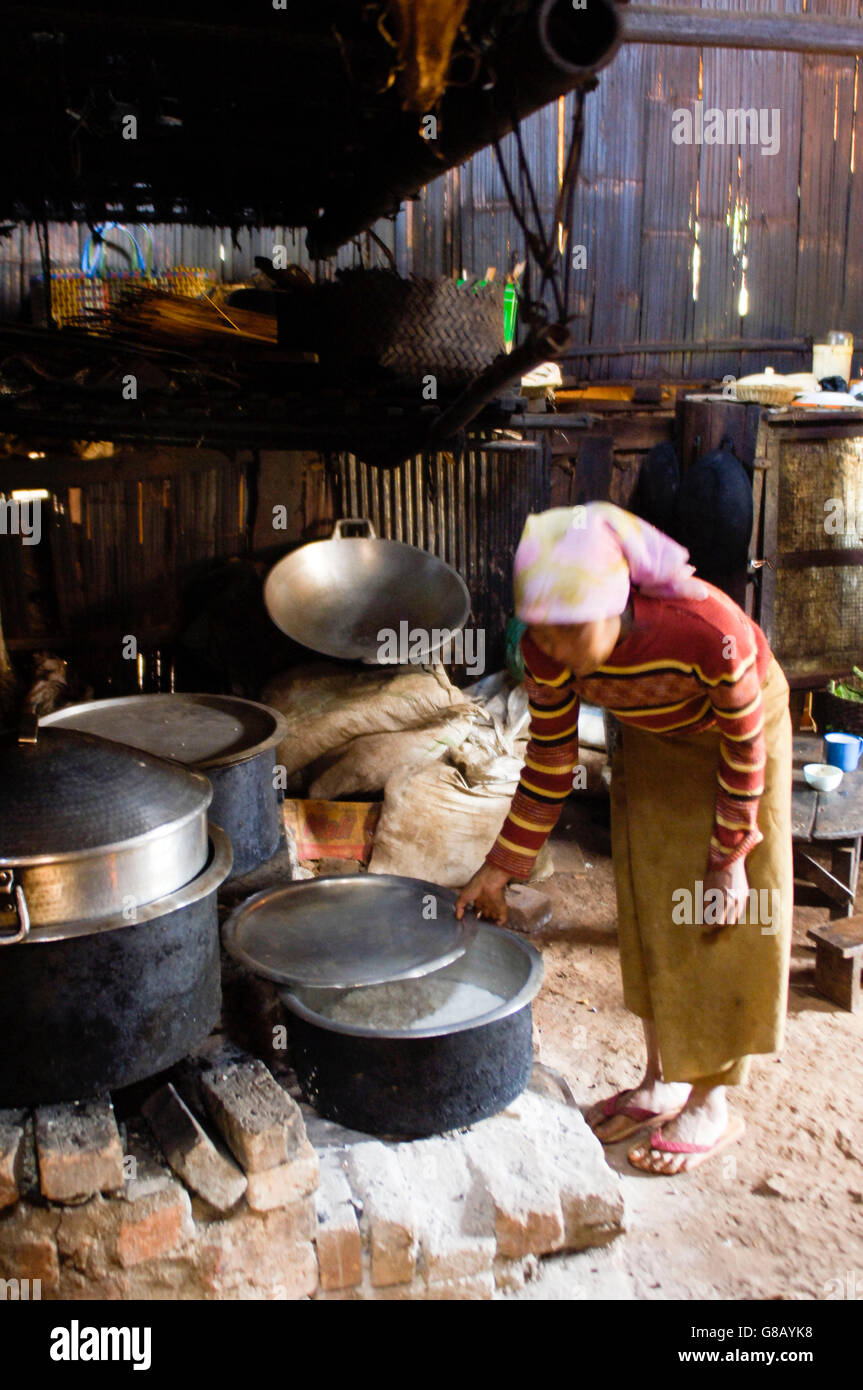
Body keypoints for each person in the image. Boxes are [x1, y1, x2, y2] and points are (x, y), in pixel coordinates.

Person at [455, 503, 793, 1174]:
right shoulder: (544, 649)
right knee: (649, 907)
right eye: (545, 633)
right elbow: (549, 760)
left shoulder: (706, 629)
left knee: (716, 917)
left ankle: (709, 1102)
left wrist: (729, 858)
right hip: (655, 738)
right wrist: (499, 867)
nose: (557, 650)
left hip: (739, 742)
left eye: (574, 631)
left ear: (619, 605)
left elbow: (743, 745)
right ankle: (660, 1079)